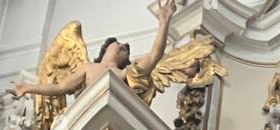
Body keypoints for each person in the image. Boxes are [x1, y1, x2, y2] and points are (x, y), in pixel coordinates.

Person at [13, 2, 178, 102]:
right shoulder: (88, 68)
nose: (123, 47)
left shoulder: (123, 74)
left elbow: (154, 56)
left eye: (126, 50)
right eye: (118, 44)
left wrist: (164, 22)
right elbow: (60, 87)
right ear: (107, 47)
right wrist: (28, 88)